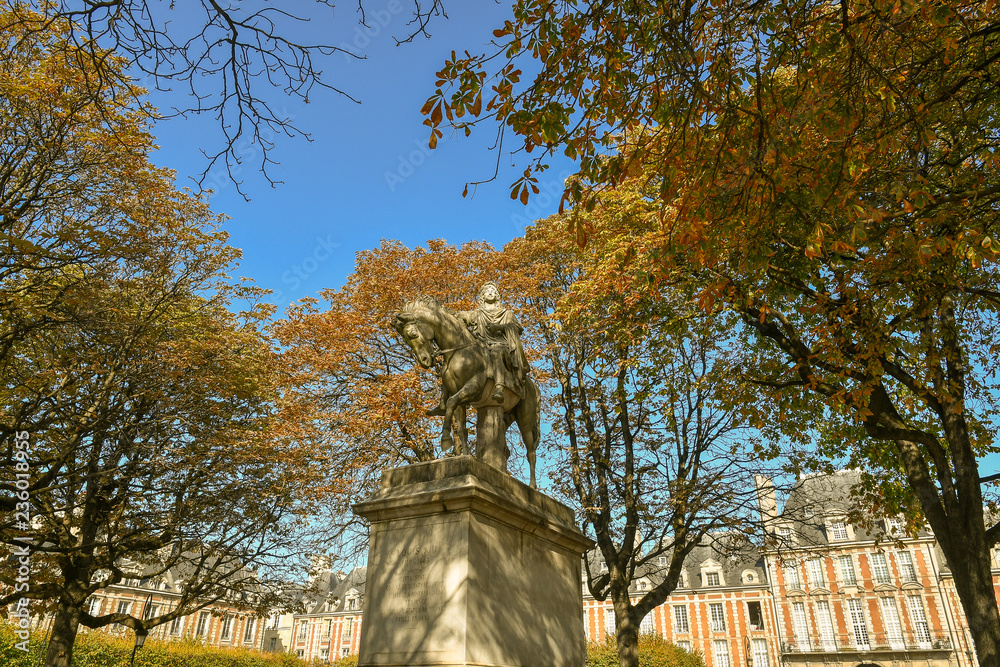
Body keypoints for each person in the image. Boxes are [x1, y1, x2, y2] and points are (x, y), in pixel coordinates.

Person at [459, 282, 528, 404]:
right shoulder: (476, 314)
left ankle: (499, 387)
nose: (490, 292)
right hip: (481, 346)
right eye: (487, 291)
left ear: (497, 296)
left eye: (493, 291)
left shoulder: (507, 313)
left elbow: (517, 328)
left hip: (501, 346)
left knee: (496, 353)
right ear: (482, 296)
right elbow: (460, 315)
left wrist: (500, 328)